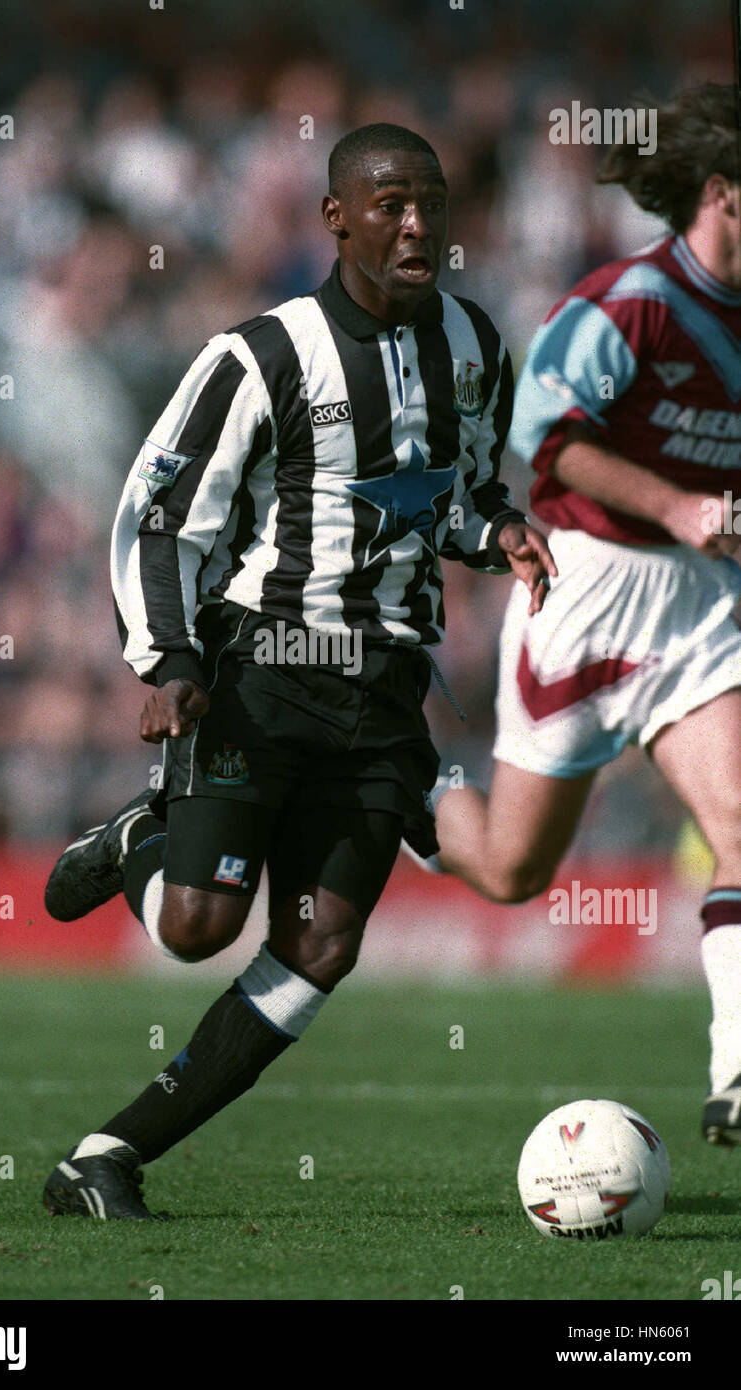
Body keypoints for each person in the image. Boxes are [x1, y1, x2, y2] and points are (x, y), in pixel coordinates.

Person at [40, 122, 554, 1219]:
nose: (416, 223)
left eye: (430, 202)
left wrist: (495, 529)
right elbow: (159, 515)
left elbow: (449, 490)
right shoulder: (259, 354)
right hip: (262, 672)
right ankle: (138, 836)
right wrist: (169, 657)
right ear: (335, 217)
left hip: (384, 691)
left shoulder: (473, 341)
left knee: (319, 944)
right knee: (194, 929)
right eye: (389, 204)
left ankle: (103, 1158)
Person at [421, 84, 741, 1145]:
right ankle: (397, 785)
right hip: (586, 588)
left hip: (700, 606)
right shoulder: (625, 301)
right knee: (512, 872)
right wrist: (677, 503)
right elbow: (543, 439)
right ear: (720, 194)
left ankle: (736, 1072)